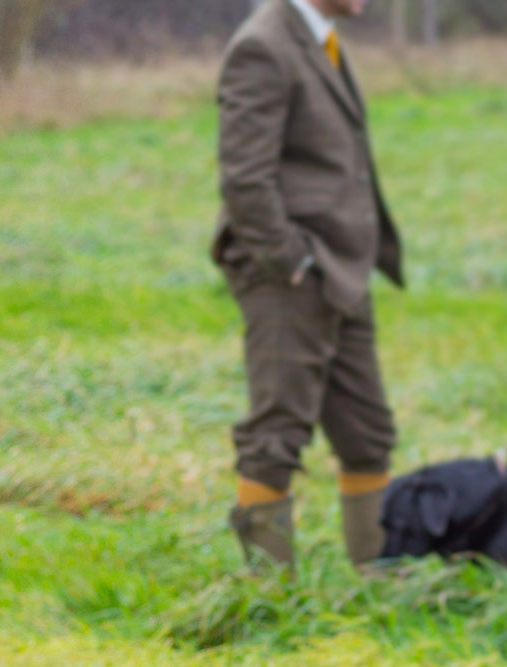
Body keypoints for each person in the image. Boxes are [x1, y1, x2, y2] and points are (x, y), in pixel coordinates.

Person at [213, 0, 405, 569]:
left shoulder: (320, 37)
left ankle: (374, 578)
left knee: (368, 431)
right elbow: (245, 176)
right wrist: (292, 264)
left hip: (342, 270)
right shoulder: (264, 44)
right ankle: (268, 594)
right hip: (291, 277)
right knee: (275, 436)